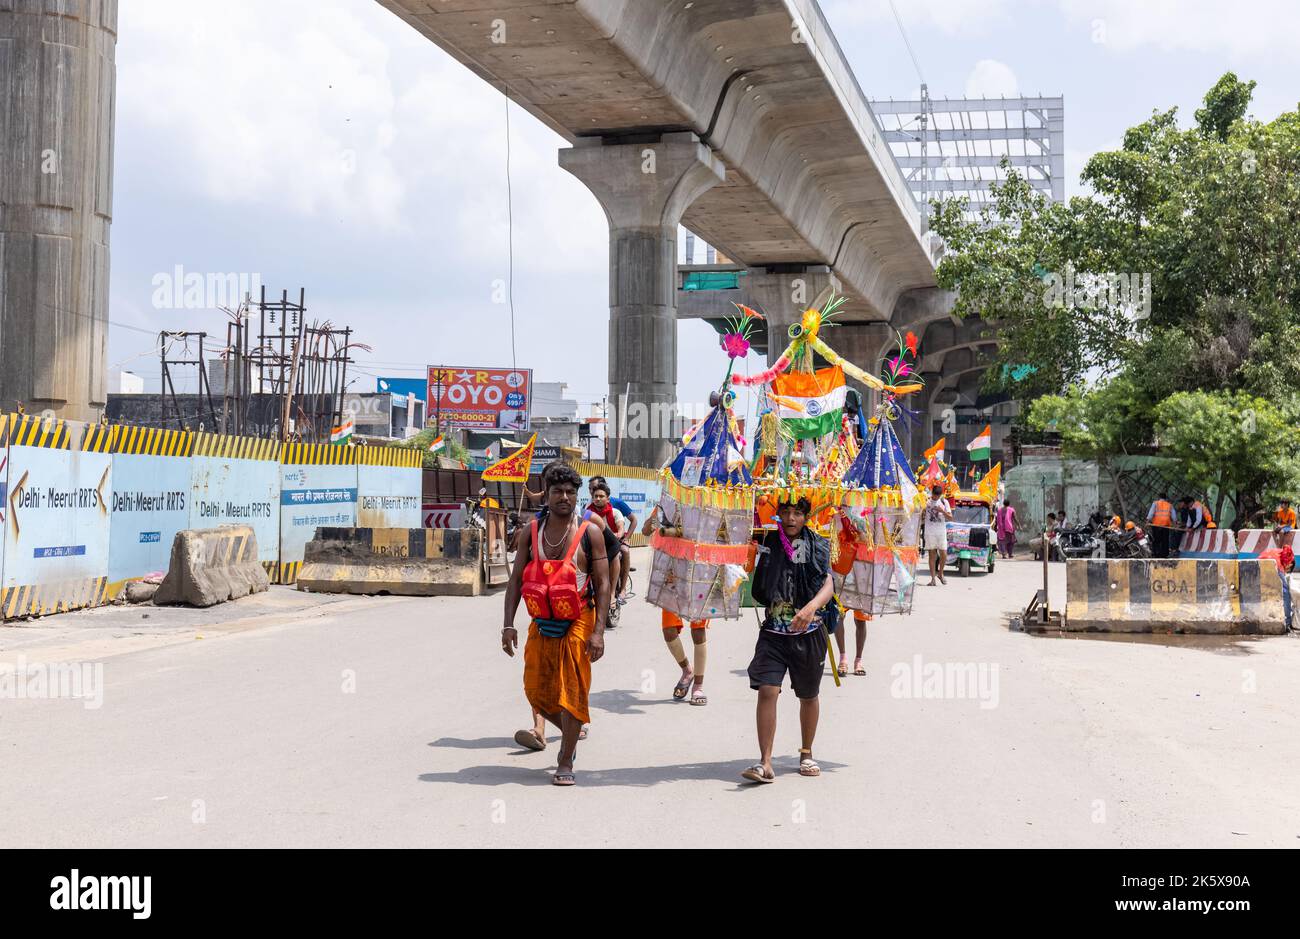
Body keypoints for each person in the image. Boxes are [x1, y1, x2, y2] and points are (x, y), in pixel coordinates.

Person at [502, 464, 609, 787]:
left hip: (578, 621)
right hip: (541, 622)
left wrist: (599, 631)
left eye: (570, 493)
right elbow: (517, 579)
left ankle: (565, 758)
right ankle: (571, 732)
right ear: (546, 495)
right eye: (557, 492)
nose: (564, 498)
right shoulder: (530, 532)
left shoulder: (590, 532)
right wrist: (508, 624)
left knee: (573, 693)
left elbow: (603, 583)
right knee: (536, 690)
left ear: (577, 497)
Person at [741, 496, 835, 784]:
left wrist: (810, 608)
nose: (791, 518)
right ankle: (765, 762)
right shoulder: (766, 541)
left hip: (809, 633)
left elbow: (829, 584)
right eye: (786, 512)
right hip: (773, 632)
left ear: (806, 516)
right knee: (767, 690)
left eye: (797, 513)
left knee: (808, 695)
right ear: (778, 514)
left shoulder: (818, 544)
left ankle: (806, 753)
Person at [642, 509, 710, 704]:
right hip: (671, 578)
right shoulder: (666, 506)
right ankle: (687, 670)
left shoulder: (702, 501)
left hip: (697, 576)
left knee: (698, 632)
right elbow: (646, 530)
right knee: (669, 632)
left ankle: (698, 686)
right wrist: (655, 518)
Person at [589, 476, 637, 602]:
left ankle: (620, 590)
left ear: (607, 497)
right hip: (596, 543)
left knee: (623, 552)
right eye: (594, 494)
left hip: (615, 541)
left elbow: (628, 523)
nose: (597, 498)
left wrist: (625, 537)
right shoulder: (587, 510)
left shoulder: (616, 509)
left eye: (601, 495)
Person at [923, 485, 953, 585]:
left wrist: (942, 511)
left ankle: (940, 573)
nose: (935, 498)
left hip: (941, 532)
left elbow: (950, 518)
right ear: (931, 493)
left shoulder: (944, 502)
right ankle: (932, 579)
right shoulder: (926, 501)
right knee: (932, 555)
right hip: (929, 532)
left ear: (940, 495)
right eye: (934, 495)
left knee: (944, 554)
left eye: (937, 496)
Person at [1146, 493, 1176, 558]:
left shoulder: (1155, 503)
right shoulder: (1169, 505)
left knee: (1156, 539)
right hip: (1165, 525)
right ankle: (1164, 554)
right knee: (1165, 540)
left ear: (1159, 497)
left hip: (1156, 525)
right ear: (1166, 498)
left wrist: (1147, 521)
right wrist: (1175, 523)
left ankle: (1156, 553)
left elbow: (1151, 513)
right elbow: (1174, 515)